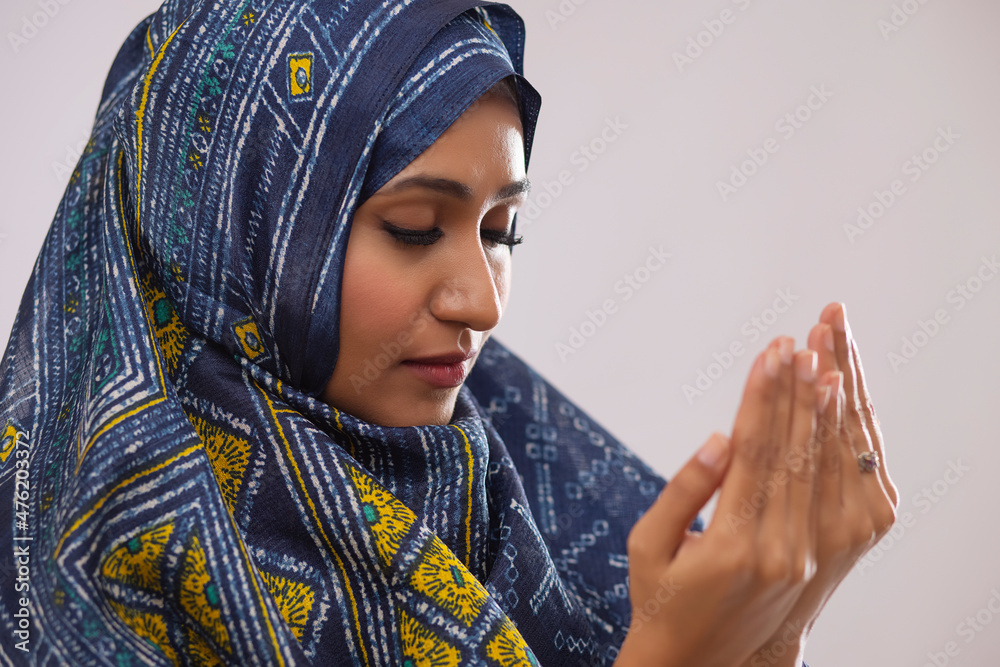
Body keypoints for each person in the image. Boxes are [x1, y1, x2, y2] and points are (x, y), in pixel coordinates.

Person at [0, 0, 896, 665]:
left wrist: (774, 635)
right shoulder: (109, 573)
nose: (483, 301)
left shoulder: (491, 499)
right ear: (235, 235)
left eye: (502, 233)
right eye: (416, 227)